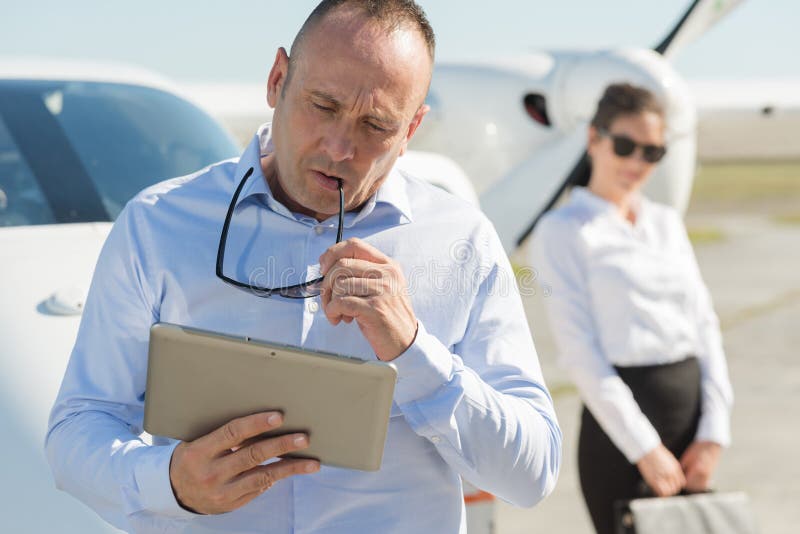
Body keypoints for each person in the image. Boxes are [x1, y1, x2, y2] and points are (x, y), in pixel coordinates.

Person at [45, 1, 561, 532]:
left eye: (376, 125)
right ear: (277, 80)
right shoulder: (157, 225)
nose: (339, 147)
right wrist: (169, 481)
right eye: (323, 105)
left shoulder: (463, 242)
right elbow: (76, 431)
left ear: (411, 129)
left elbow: (532, 473)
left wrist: (414, 352)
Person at [531, 83, 733, 534]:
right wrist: (644, 448)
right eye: (625, 146)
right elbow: (579, 353)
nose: (637, 162)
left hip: (692, 434)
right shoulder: (562, 231)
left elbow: (705, 326)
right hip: (620, 441)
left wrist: (714, 432)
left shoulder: (666, 222)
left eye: (652, 152)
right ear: (594, 139)